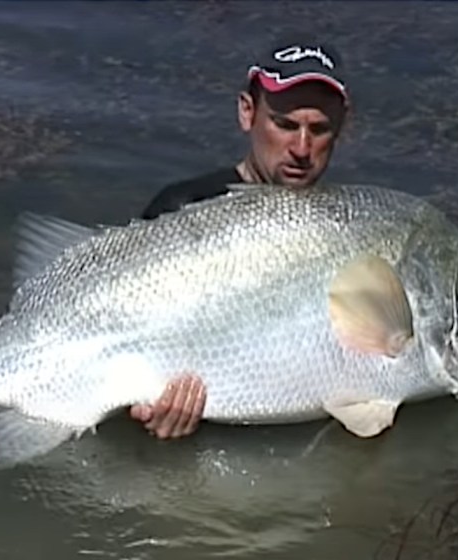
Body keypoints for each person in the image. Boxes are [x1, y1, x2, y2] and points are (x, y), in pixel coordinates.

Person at [129, 38, 350, 440]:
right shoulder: (181, 208)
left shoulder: (349, 228)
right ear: (247, 113)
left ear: (342, 127)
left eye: (319, 129)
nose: (301, 148)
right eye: (284, 125)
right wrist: (146, 406)